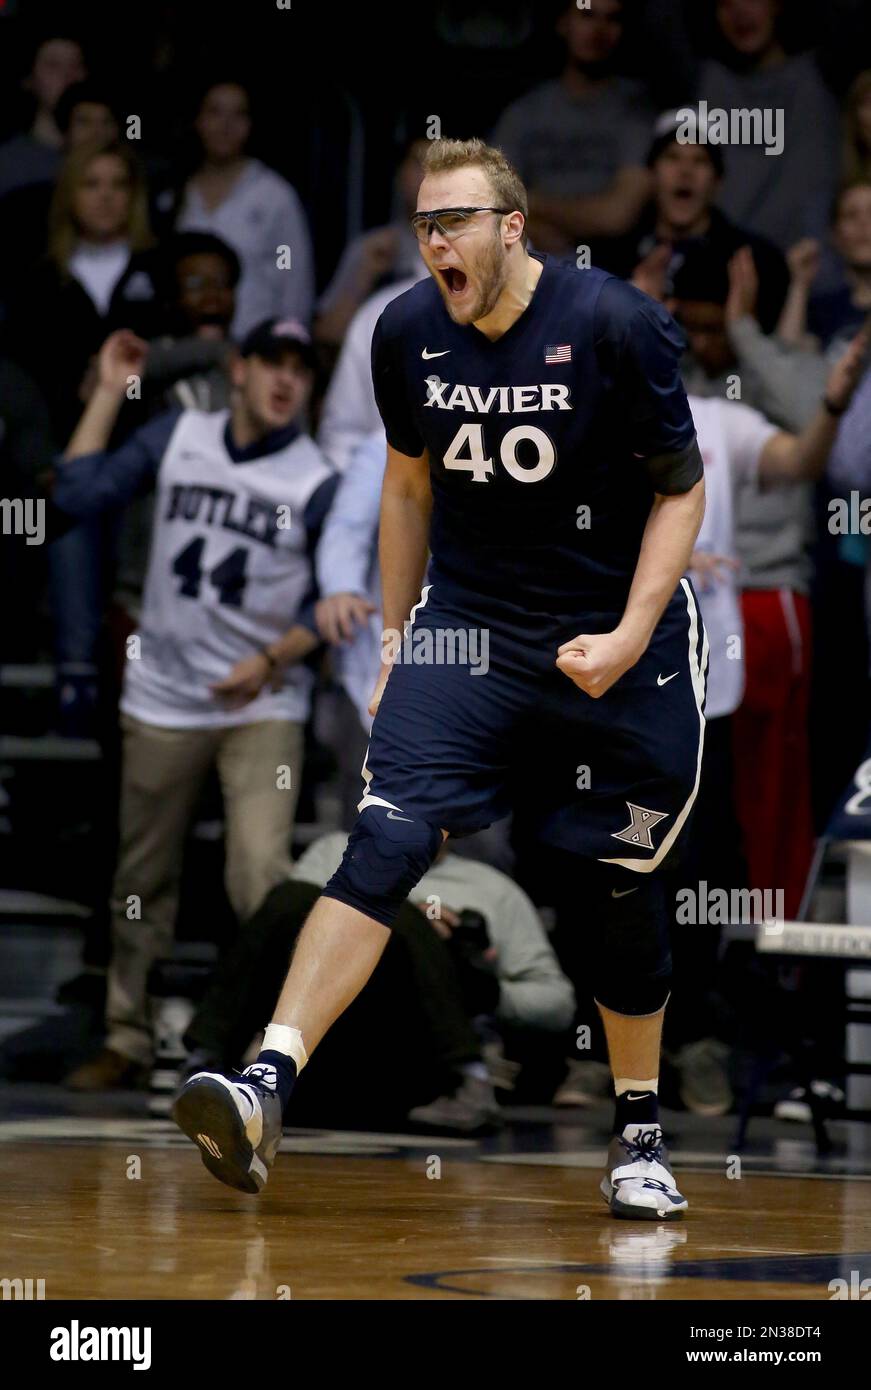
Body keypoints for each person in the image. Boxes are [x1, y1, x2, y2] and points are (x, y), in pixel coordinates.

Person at [173, 135, 708, 1221]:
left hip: (618, 640)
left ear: (512, 228)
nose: (434, 242)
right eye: (423, 223)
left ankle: (639, 1131)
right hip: (471, 631)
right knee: (385, 838)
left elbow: (680, 489)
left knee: (616, 887)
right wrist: (396, 640)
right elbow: (407, 489)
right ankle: (266, 1084)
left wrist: (627, 633)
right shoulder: (405, 329)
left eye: (454, 221)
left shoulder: (615, 322)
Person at [50, 318, 336, 1089]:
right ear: (237, 369)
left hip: (262, 701)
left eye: (300, 369)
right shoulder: (179, 434)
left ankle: (270, 1052)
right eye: (271, 363)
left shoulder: (316, 478)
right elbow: (75, 494)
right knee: (140, 880)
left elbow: (342, 596)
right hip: (165, 697)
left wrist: (270, 659)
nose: (285, 380)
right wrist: (110, 392)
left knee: (259, 876)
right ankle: (128, 1036)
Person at [183, 830, 575, 1133]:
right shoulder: (334, 851)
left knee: (392, 909)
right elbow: (286, 931)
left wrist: (482, 985)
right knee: (303, 899)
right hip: (320, 1046)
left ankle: (468, 1079)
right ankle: (208, 1061)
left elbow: (556, 1003)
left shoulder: (493, 889)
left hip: (414, 1056)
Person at [490, 0, 654, 257]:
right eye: (587, 14)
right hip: (530, 259)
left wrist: (529, 204)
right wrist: (535, 231)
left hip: (614, 266)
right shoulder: (525, 112)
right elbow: (493, 202)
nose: (599, 30)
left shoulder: (637, 110)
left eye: (612, 19)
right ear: (563, 23)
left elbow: (617, 217)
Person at [173, 80, 314, 336]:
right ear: (198, 120)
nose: (226, 125)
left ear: (251, 124)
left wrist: (288, 342)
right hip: (187, 344)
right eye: (215, 112)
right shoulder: (177, 194)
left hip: (256, 343)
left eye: (239, 114)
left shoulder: (274, 195)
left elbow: (294, 281)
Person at [0, 35, 87, 200]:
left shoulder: (112, 157)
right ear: (29, 79)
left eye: (76, 65)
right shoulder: (8, 164)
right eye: (53, 66)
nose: (68, 76)